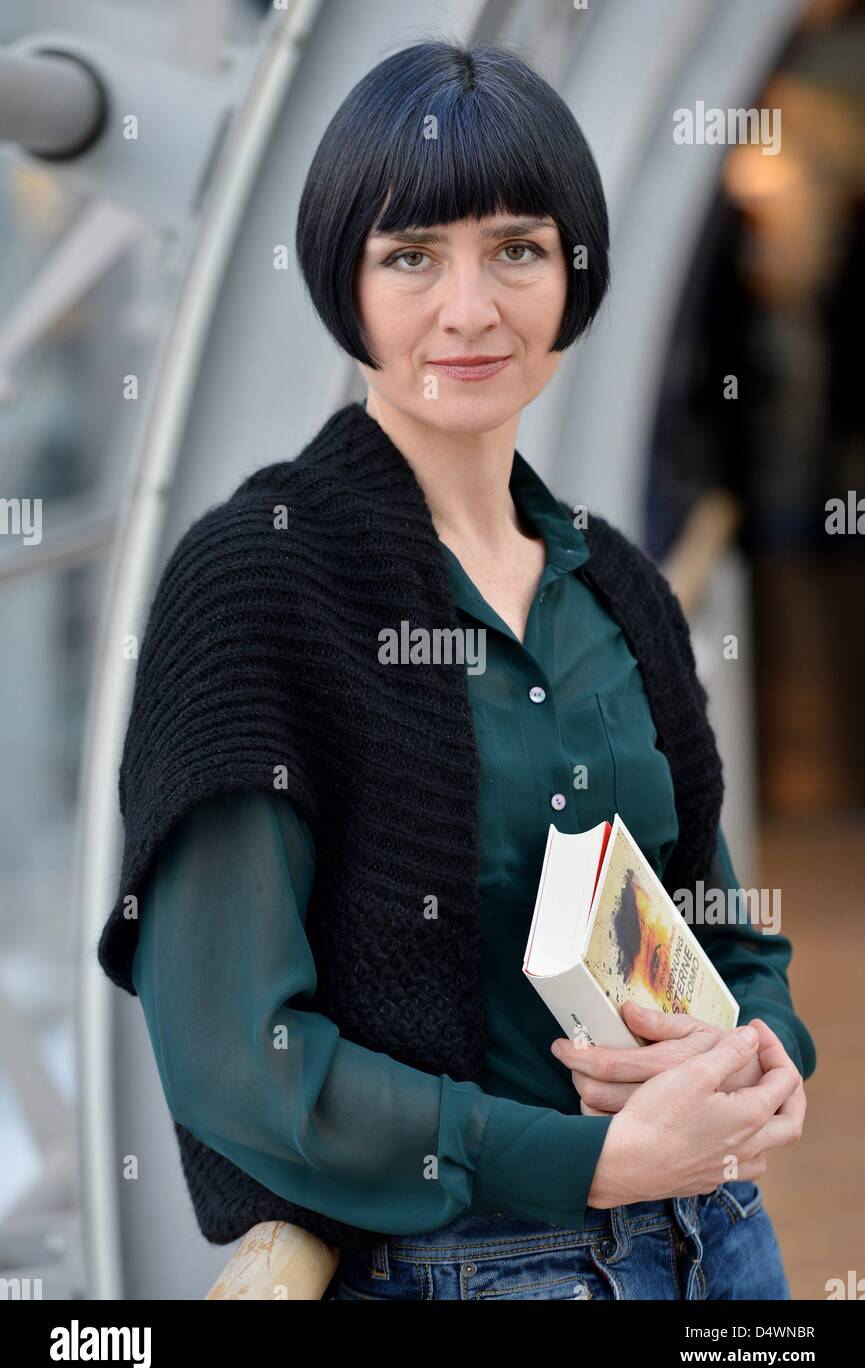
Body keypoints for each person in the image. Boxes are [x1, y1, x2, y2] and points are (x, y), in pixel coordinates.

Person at [98, 39, 813, 1301]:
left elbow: (711, 908)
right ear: (344, 281)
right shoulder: (259, 582)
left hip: (721, 1248)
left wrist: (763, 1050)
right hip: (470, 1273)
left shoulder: (619, 587)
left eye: (517, 249)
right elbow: (236, 1055)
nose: (470, 310)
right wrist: (581, 1159)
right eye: (411, 256)